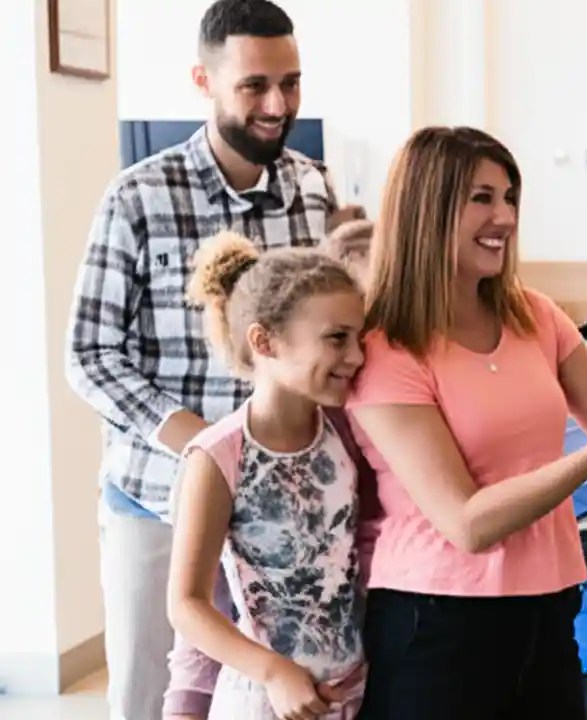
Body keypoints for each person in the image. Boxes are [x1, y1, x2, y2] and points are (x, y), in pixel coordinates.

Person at [343, 126, 587, 719]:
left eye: (510, 197)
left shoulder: (536, 316)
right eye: (482, 198)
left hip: (548, 610)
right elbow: (467, 524)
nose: (506, 217)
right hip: (436, 622)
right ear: (427, 208)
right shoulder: (388, 351)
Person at [64, 1, 370, 717]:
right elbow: (89, 353)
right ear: (204, 80)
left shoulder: (314, 188)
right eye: (255, 86)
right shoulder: (136, 197)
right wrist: (206, 447)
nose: (277, 104)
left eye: (291, 84)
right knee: (155, 696)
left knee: (280, 689)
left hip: (286, 508)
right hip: (159, 496)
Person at [166, 231, 367, 720]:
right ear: (264, 341)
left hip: (356, 694)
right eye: (337, 339)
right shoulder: (216, 456)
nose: (357, 356)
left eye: (359, 337)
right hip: (265, 704)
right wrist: (275, 672)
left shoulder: (346, 430)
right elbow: (187, 604)